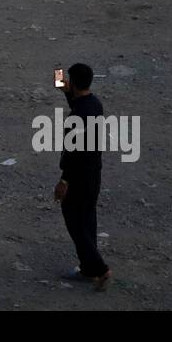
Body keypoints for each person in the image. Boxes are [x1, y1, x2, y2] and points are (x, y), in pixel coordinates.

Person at [54, 62, 112, 290]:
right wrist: (59, 75)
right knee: (87, 221)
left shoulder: (76, 117)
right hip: (93, 175)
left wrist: (64, 181)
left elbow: (74, 153)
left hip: (77, 177)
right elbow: (69, 93)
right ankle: (88, 268)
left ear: (75, 82)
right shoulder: (93, 104)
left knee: (75, 223)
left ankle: (100, 269)